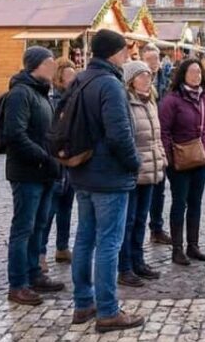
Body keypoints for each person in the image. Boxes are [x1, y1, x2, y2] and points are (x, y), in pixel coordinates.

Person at [67, 29, 143, 333]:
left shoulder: (81, 79)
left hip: (83, 170)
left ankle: (83, 302)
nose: (127, 56)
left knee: (85, 238)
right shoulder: (110, 84)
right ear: (113, 53)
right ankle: (108, 310)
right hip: (108, 173)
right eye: (124, 51)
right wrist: (134, 164)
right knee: (109, 242)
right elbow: (119, 134)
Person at [4, 47, 64, 306]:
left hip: (46, 171)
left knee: (39, 225)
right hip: (28, 172)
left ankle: (34, 273)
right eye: (50, 62)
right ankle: (18, 283)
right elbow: (15, 134)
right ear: (37, 65)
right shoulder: (21, 93)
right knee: (23, 228)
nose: (54, 67)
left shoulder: (42, 93)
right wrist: (44, 156)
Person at [159, 58, 205, 266]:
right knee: (179, 203)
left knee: (195, 202)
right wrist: (169, 158)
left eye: (199, 72)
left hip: (201, 157)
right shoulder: (172, 100)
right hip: (179, 159)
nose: (196, 75)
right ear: (183, 75)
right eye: (192, 72)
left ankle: (192, 245)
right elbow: (164, 131)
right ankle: (177, 248)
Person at [117, 61, 167, 286]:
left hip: (152, 168)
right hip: (135, 168)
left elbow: (157, 137)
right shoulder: (127, 103)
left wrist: (162, 159)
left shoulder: (150, 102)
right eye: (141, 75)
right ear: (130, 80)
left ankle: (138, 260)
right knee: (128, 221)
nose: (147, 78)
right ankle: (125, 266)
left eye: (148, 74)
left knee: (140, 219)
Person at [41, 58, 76, 266]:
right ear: (60, 77)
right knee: (49, 211)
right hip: (56, 163)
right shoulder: (53, 99)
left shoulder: (75, 98)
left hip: (71, 163)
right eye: (69, 75)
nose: (72, 79)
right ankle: (41, 253)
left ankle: (62, 247)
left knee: (66, 209)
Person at [139, 44, 172, 247]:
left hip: (160, 137)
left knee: (159, 189)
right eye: (150, 59)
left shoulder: (165, 79)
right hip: (144, 142)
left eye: (156, 58)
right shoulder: (137, 83)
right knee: (144, 192)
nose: (154, 62)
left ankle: (157, 228)